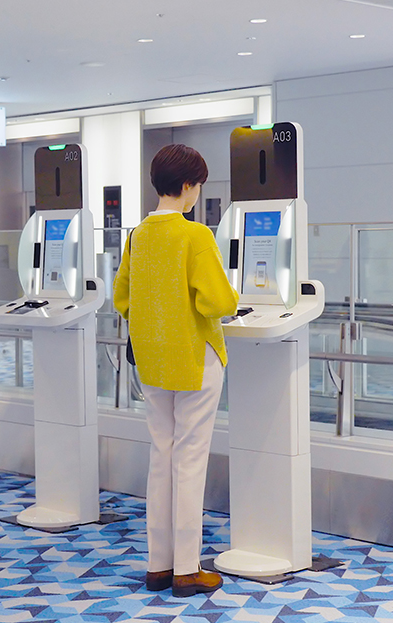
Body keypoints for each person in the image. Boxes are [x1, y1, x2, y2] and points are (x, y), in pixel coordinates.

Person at [113, 144, 238, 598]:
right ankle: (187, 569)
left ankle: (158, 565)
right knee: (190, 461)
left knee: (160, 458)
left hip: (152, 360)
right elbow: (219, 302)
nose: (197, 193)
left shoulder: (138, 236)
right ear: (187, 186)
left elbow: (121, 299)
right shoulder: (195, 235)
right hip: (195, 358)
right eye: (198, 185)